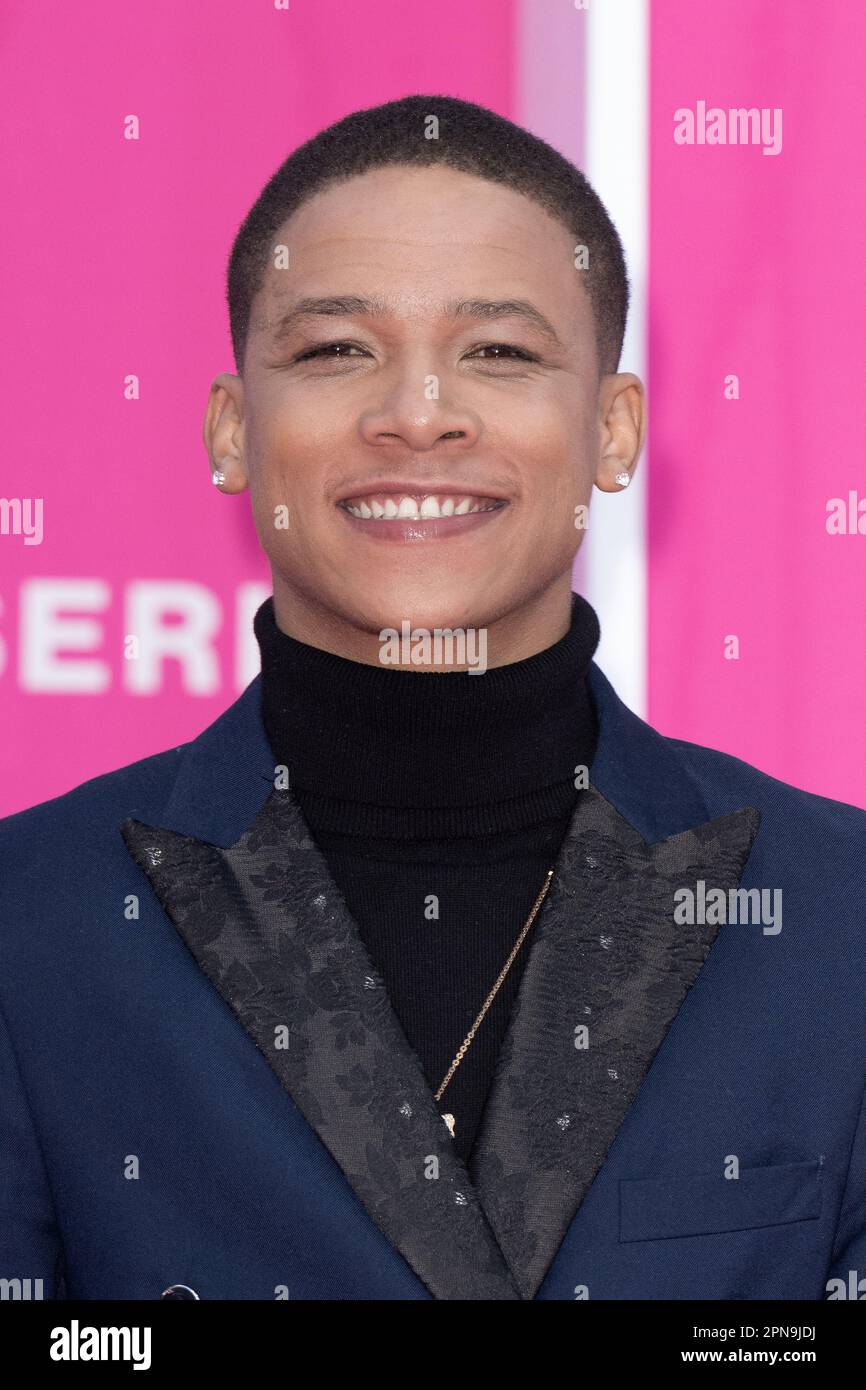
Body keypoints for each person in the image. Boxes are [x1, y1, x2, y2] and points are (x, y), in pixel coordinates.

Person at [1, 95, 864, 1302]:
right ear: (232, 431)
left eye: (497, 352)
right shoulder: (32, 920)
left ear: (612, 431)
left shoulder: (834, 915)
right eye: (335, 350)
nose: (415, 415)